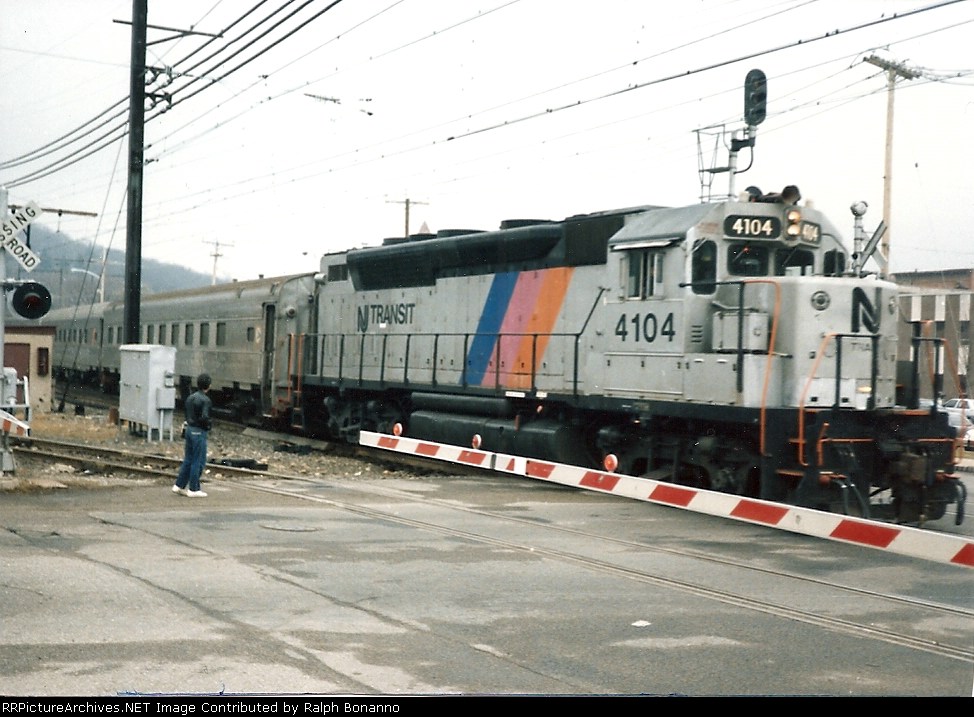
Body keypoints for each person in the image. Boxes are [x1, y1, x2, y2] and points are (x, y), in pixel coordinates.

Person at [172, 373, 213, 498]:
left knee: (188, 459)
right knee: (198, 460)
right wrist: (208, 425)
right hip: (199, 431)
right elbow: (204, 417)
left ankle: (179, 485)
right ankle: (194, 488)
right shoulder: (206, 400)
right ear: (208, 386)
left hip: (189, 429)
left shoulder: (190, 397)